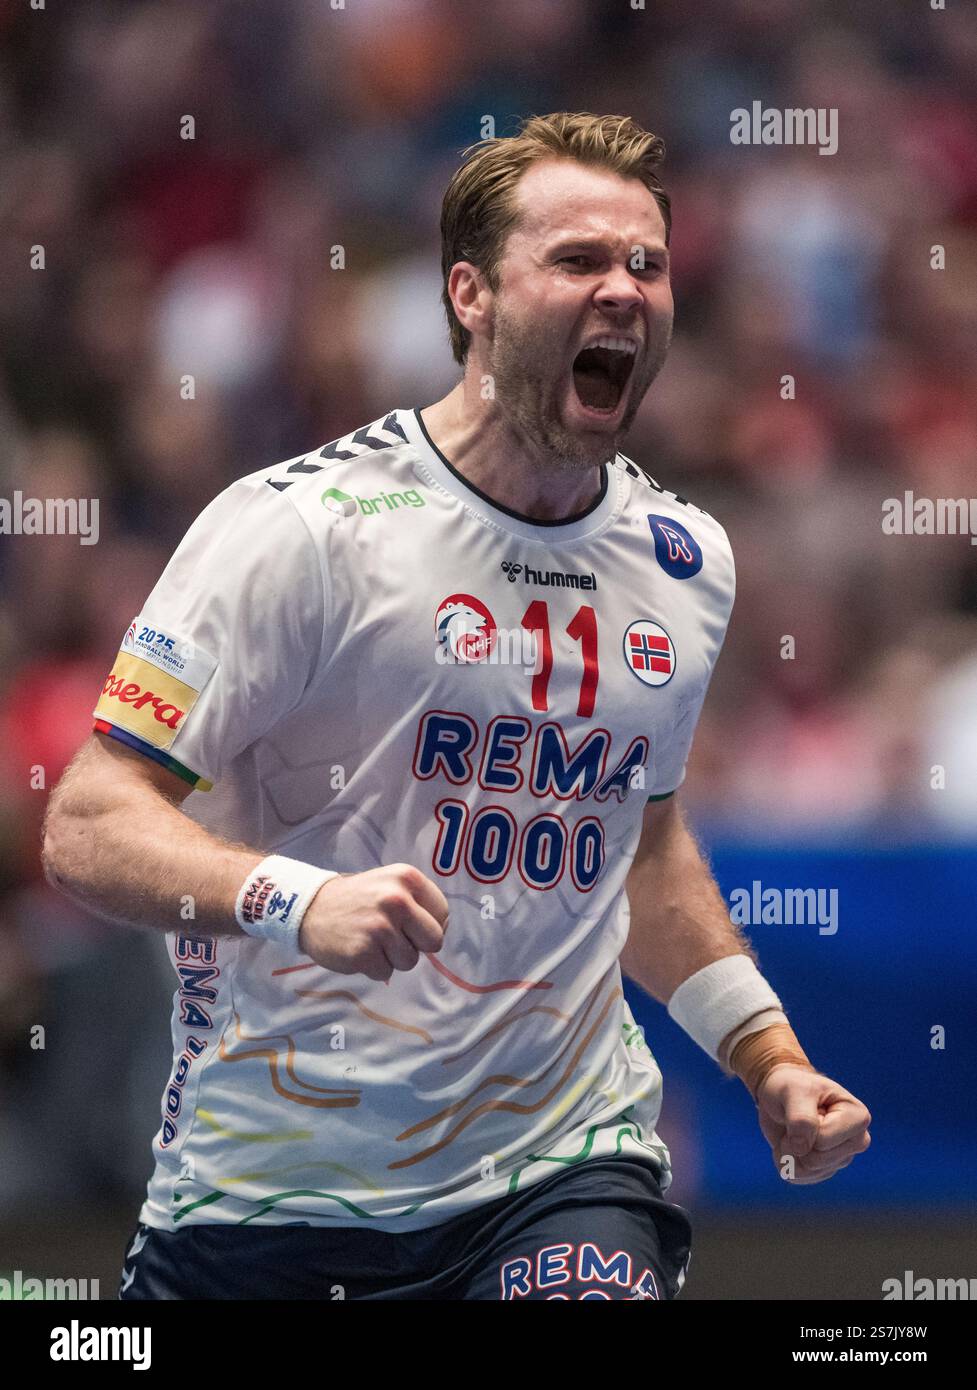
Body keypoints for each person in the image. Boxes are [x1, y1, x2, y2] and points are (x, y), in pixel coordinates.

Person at [42, 112, 871, 1301]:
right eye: (578, 260)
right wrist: (295, 897)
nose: (624, 290)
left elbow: (635, 845)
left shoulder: (686, 561)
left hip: (559, 1167)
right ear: (470, 294)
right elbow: (85, 823)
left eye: (646, 263)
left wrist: (765, 1055)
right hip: (271, 1193)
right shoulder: (298, 530)